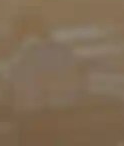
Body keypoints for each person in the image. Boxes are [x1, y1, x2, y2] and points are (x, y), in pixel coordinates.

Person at [9, 11, 83, 146]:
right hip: (66, 113)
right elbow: (77, 81)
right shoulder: (64, 50)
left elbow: (24, 90)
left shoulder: (27, 54)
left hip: (36, 117)